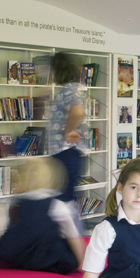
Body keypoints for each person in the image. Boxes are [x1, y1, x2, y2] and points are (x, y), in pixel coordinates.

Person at [46, 52, 90, 203]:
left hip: (66, 153)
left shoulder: (68, 91)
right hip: (67, 153)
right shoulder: (72, 89)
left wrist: (67, 131)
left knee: (62, 203)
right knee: (62, 203)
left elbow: (78, 112)